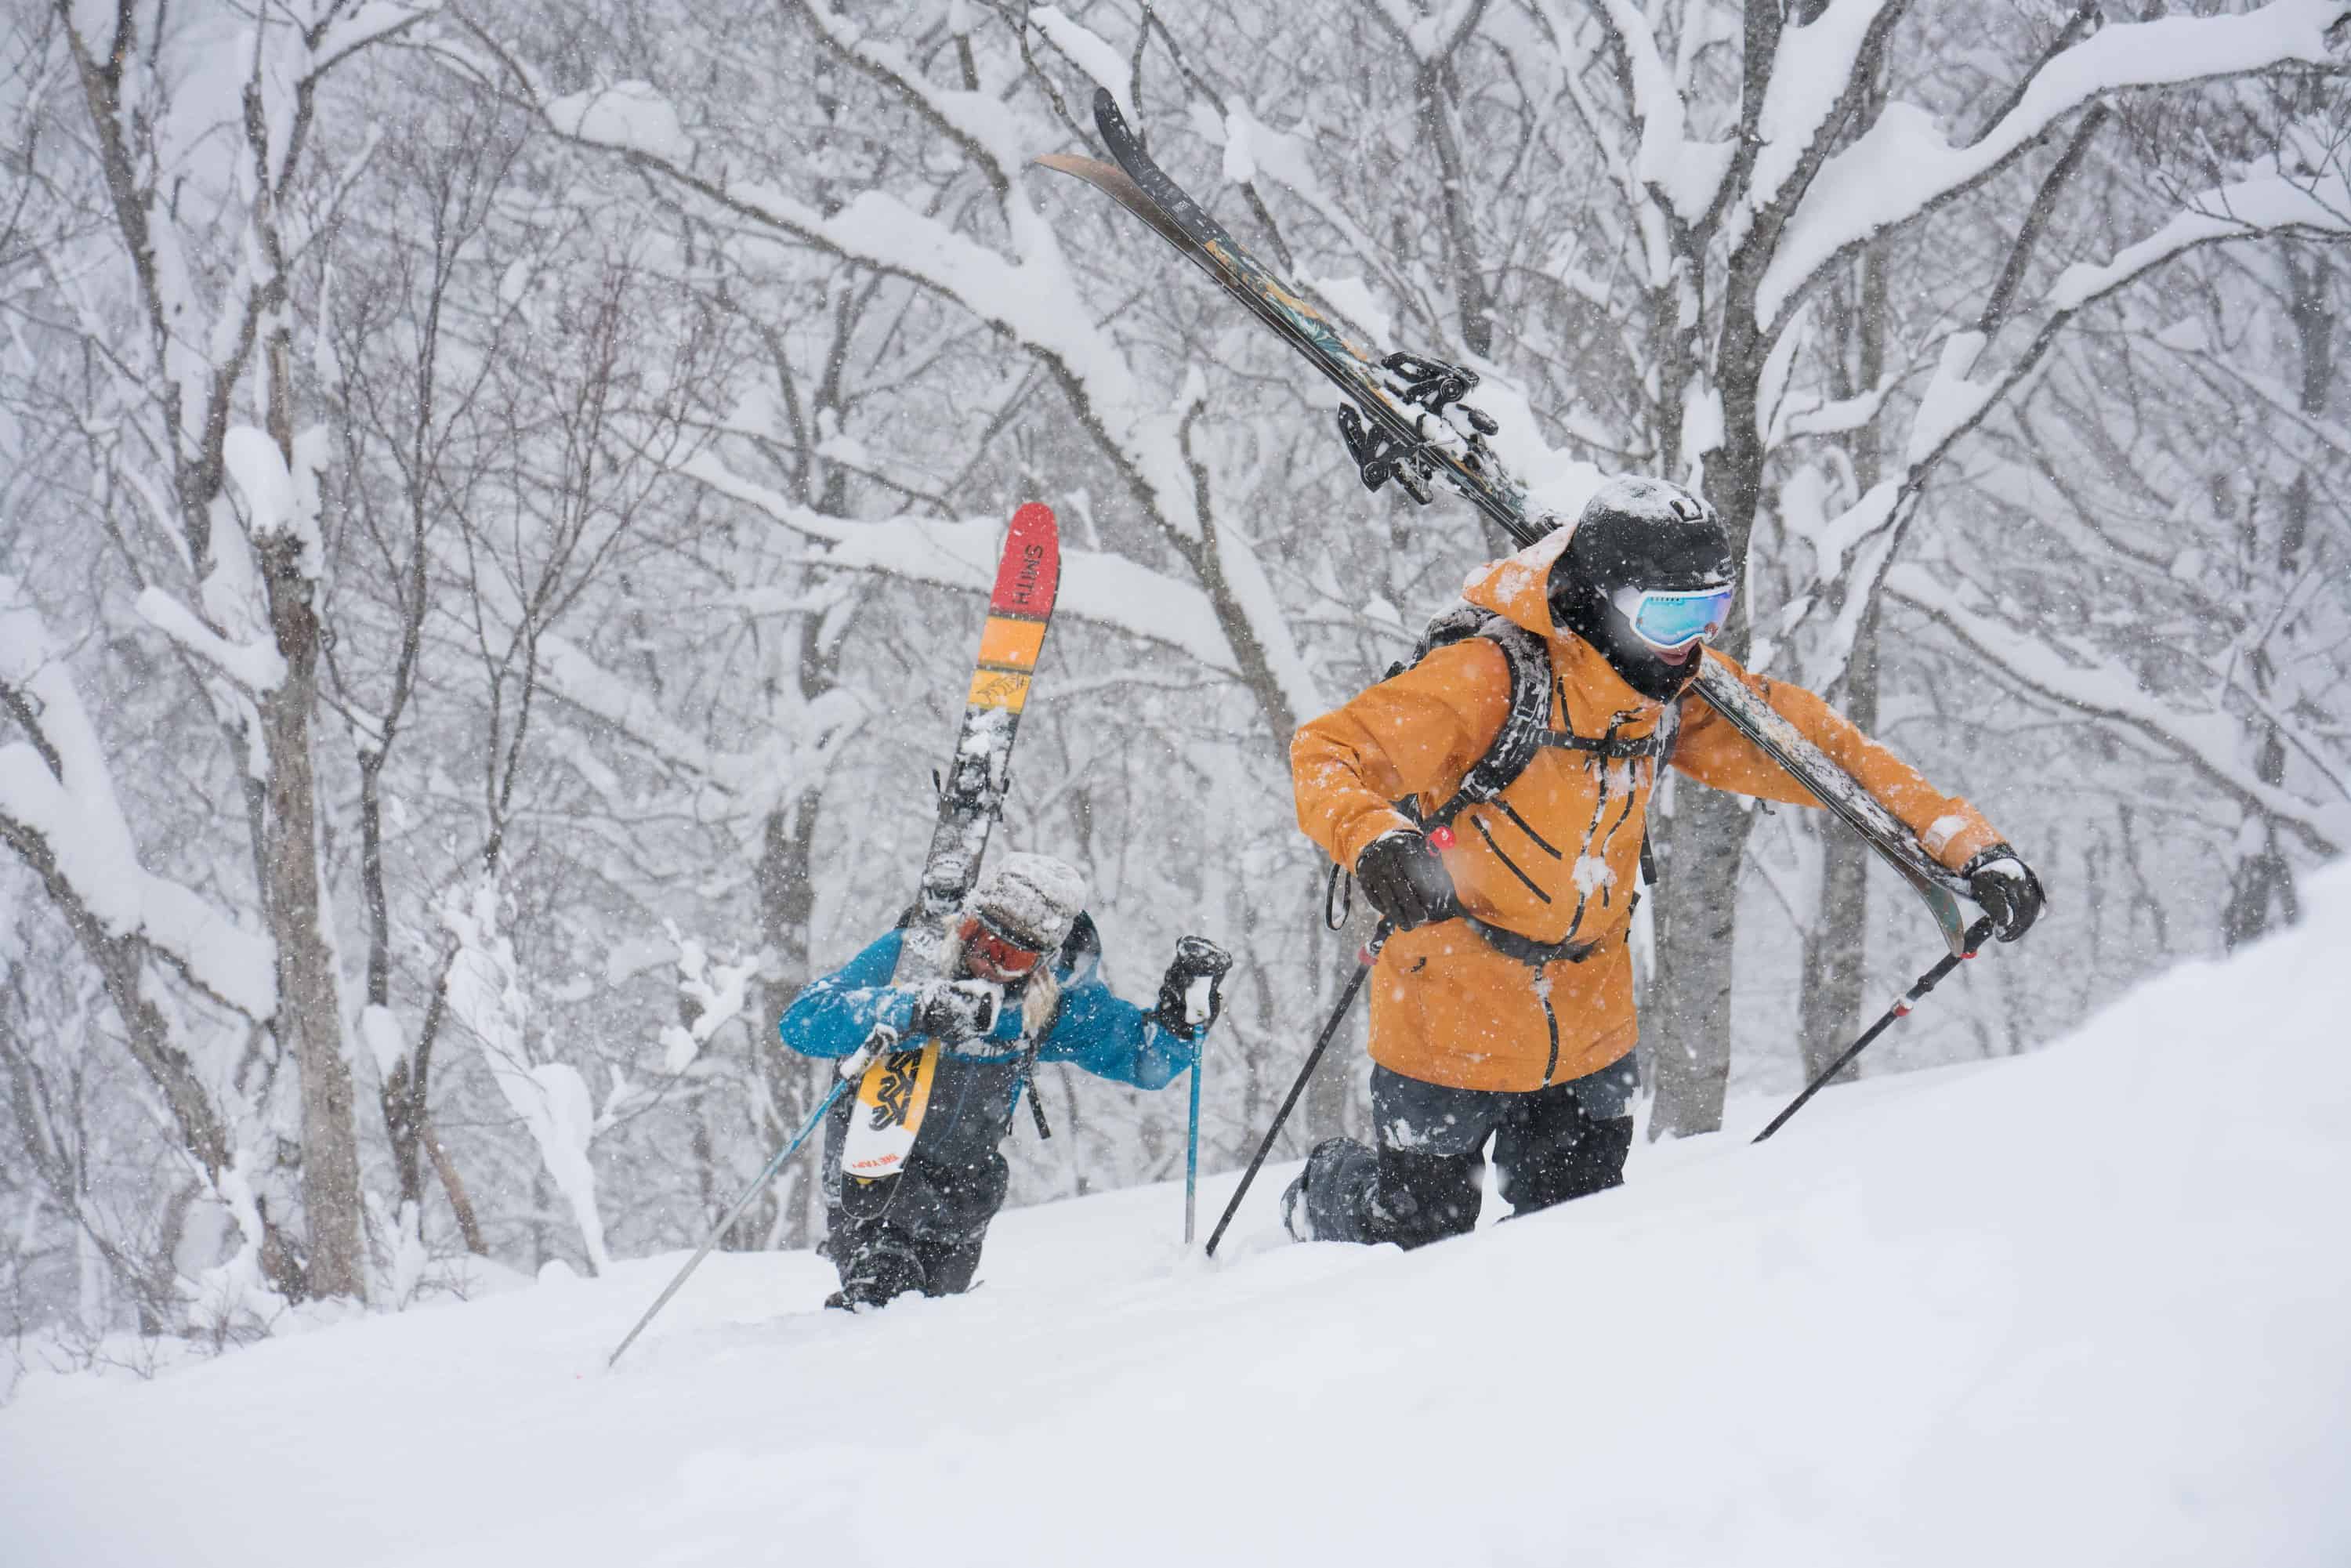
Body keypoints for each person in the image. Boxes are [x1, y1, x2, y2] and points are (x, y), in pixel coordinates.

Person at [1284, 476, 2044, 1248]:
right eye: (1670, 615)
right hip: (1449, 1018)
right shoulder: (1491, 678)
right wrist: (1376, 839)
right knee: (1413, 1239)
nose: (1690, 643)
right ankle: (1325, 1193)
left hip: (1589, 1031)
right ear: (1604, 598)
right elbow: (1327, 754)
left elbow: (1821, 750)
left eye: (1709, 614)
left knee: (1574, 1249)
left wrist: (1967, 844)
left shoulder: (1671, 695)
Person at [780, 853, 1232, 1309]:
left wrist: (1177, 1019)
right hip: (875, 1172)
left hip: (962, 1194)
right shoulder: (914, 956)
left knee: (928, 1316)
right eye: (978, 938)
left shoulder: (1051, 1005)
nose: (985, 962)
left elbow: (1145, 1061)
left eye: (1009, 955)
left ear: (1040, 963)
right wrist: (914, 1009)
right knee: (885, 1292)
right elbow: (802, 1021)